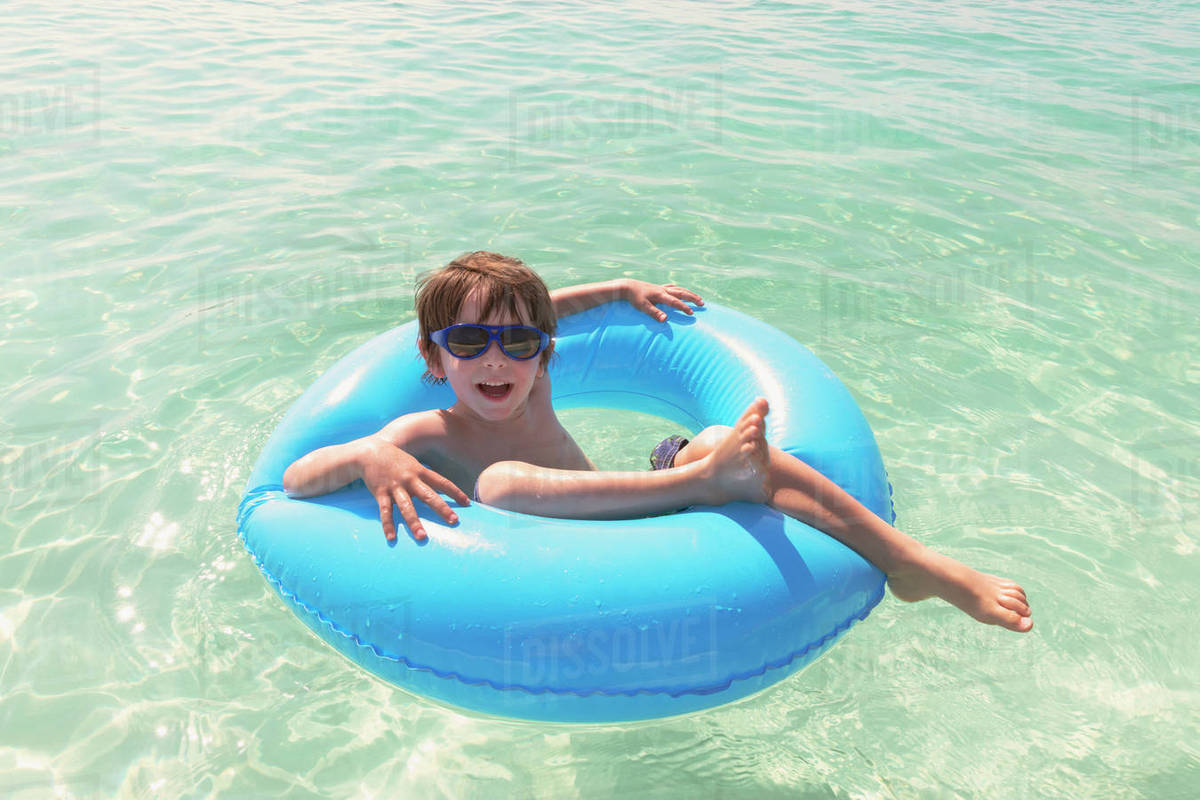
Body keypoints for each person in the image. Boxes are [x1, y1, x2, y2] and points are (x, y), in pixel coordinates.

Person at [283, 251, 1033, 633]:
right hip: (579, 545)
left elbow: (557, 311)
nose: (495, 361)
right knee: (501, 486)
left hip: (639, 515)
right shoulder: (422, 432)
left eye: (516, 341)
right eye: (470, 341)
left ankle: (912, 563)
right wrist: (366, 455)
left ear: (544, 353)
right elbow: (294, 481)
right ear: (432, 357)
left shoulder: (531, 377)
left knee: (721, 438)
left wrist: (617, 289)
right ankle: (693, 479)